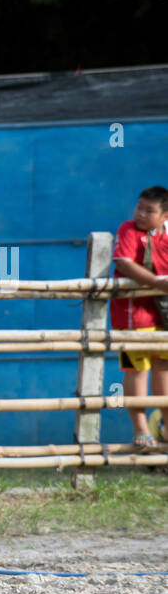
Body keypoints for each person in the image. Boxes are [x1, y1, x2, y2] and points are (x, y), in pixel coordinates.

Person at [110, 186, 168, 448]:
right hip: (132, 315)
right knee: (136, 369)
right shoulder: (128, 230)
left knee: (164, 368)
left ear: (165, 215)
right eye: (139, 207)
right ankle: (141, 430)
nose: (141, 214)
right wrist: (159, 283)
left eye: (149, 210)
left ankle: (165, 426)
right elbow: (123, 262)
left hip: (163, 315)